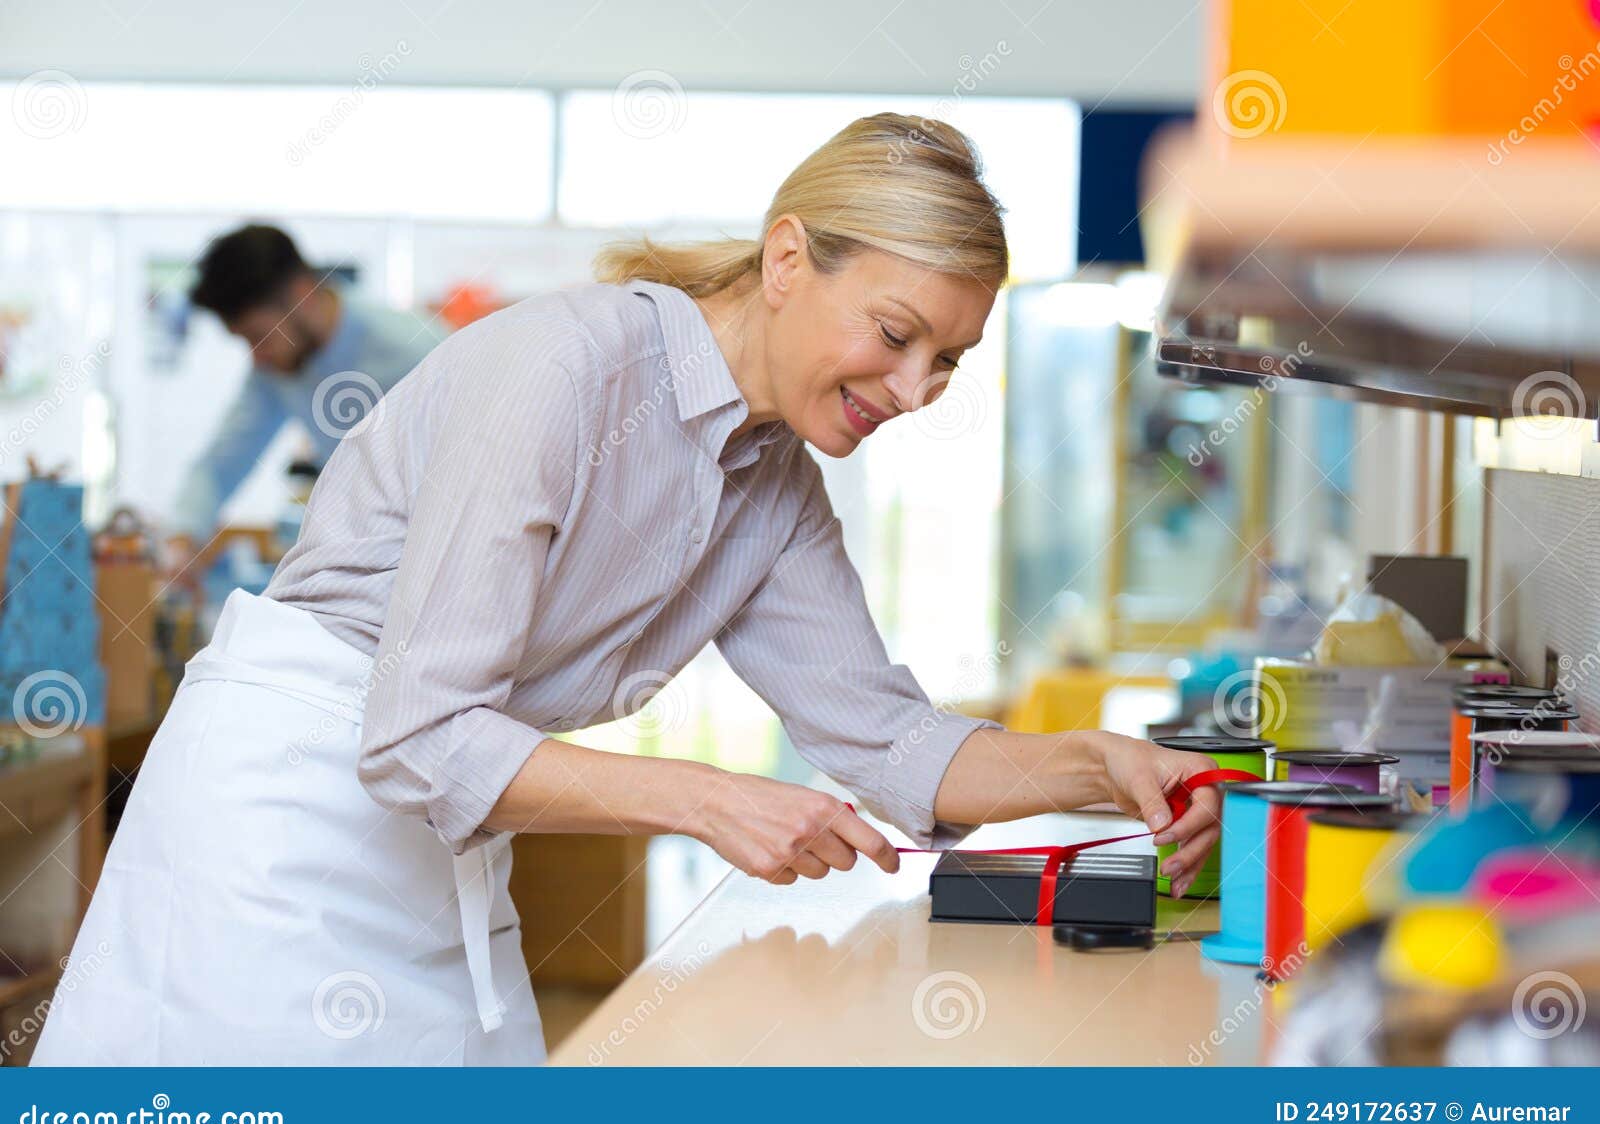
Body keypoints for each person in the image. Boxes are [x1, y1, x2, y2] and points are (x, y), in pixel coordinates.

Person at [35, 114, 1223, 1067]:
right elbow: (415, 736)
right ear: (788, 256)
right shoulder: (567, 368)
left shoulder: (771, 486)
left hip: (438, 819)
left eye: (948, 361)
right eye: (897, 333)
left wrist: (1099, 763)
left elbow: (892, 740)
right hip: (282, 812)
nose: (915, 389)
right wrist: (711, 800)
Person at [169, 224, 442, 576]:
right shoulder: (279, 369)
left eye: (259, 336)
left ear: (302, 295)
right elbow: (221, 463)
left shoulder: (418, 352)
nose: (256, 357)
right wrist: (181, 542)